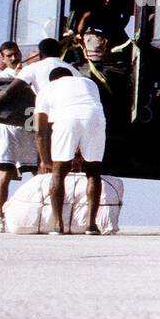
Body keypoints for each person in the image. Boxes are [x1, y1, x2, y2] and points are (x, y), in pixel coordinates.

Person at [34, 68, 107, 235]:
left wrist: (45, 161)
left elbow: (39, 131)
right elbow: (85, 111)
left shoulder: (47, 89)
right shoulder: (89, 83)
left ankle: (58, 225)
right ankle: (91, 225)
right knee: (93, 171)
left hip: (67, 119)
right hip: (95, 118)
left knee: (58, 172)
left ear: (52, 80)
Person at [0, 41, 39, 232]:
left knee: (36, 173)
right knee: (5, 172)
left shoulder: (30, 72)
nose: (13, 58)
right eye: (8, 55)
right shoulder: (1, 77)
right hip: (7, 128)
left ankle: (39, 214)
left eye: (15, 54)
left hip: (27, 125)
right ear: (3, 58)